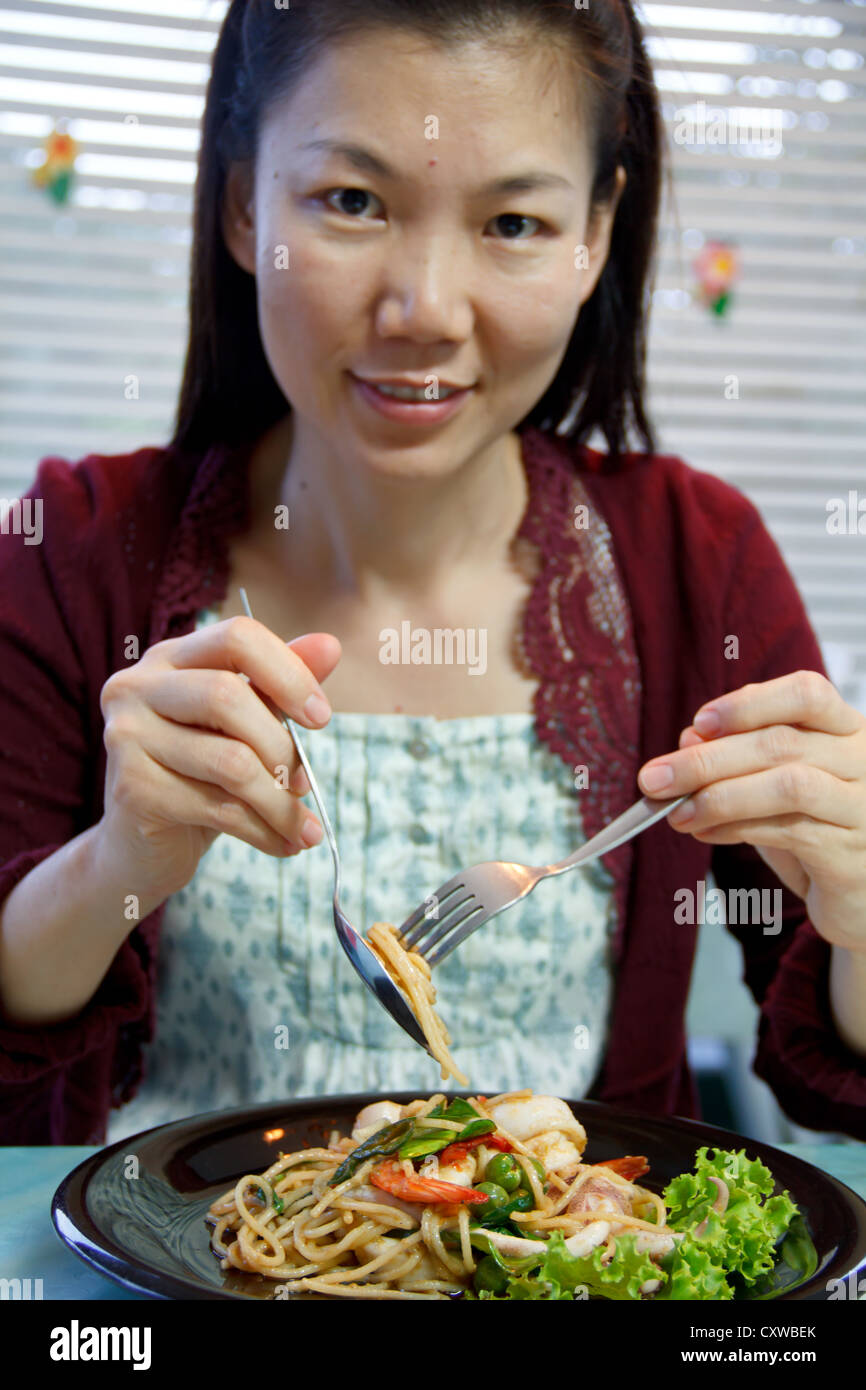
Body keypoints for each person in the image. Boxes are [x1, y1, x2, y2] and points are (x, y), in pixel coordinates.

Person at [0, 0, 864, 1146]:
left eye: (511, 221)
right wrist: (118, 862)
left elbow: (829, 1077)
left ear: (592, 235)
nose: (424, 310)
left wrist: (858, 910)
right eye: (351, 202)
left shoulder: (697, 557)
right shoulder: (70, 542)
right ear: (242, 202)